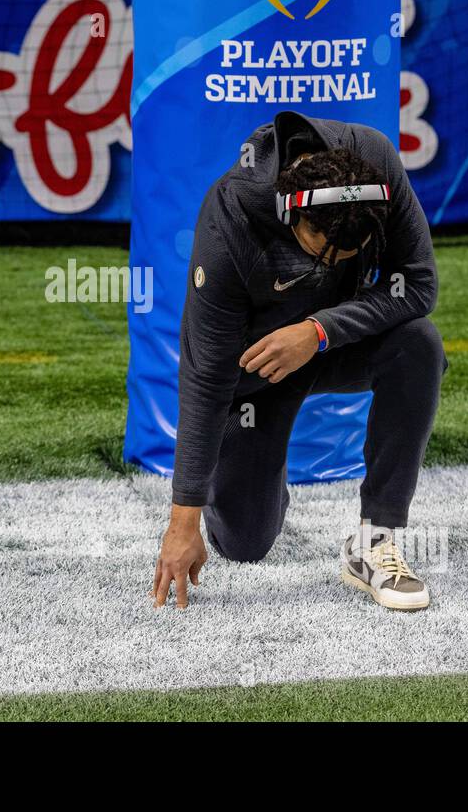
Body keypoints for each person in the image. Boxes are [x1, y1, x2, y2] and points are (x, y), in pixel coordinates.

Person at [150, 111, 446, 611]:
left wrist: (319, 330)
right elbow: (205, 376)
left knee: (419, 345)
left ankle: (375, 542)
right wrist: (184, 521)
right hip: (256, 374)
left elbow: (418, 286)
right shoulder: (231, 217)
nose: (333, 264)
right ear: (290, 214)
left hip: (329, 345)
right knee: (244, 544)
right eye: (320, 250)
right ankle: (259, 466)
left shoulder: (377, 167)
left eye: (349, 254)